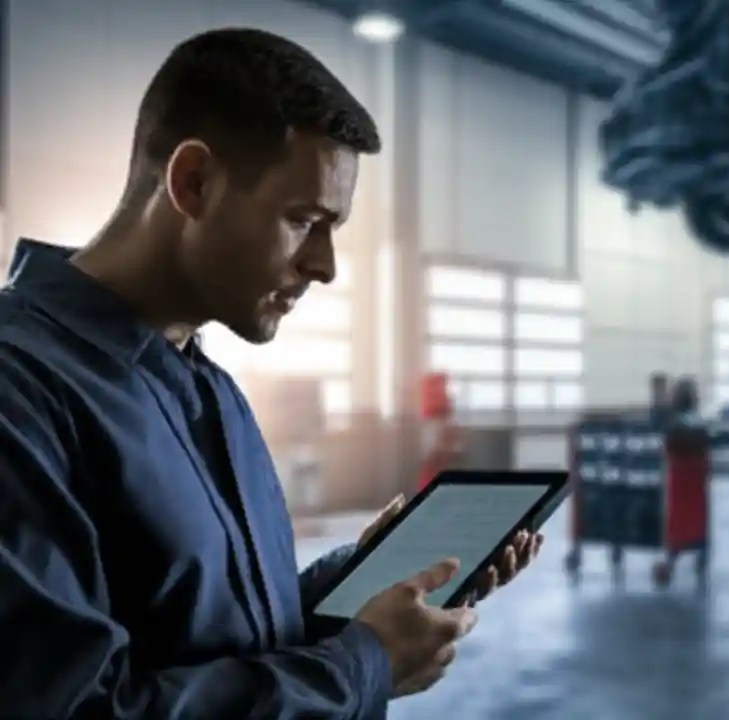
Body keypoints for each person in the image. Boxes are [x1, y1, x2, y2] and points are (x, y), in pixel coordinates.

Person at [0, 27, 541, 718]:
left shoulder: (211, 392)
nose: (325, 266)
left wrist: (362, 582)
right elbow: (77, 709)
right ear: (193, 183)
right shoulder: (20, 392)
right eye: (303, 220)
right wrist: (365, 664)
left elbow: (237, 639)